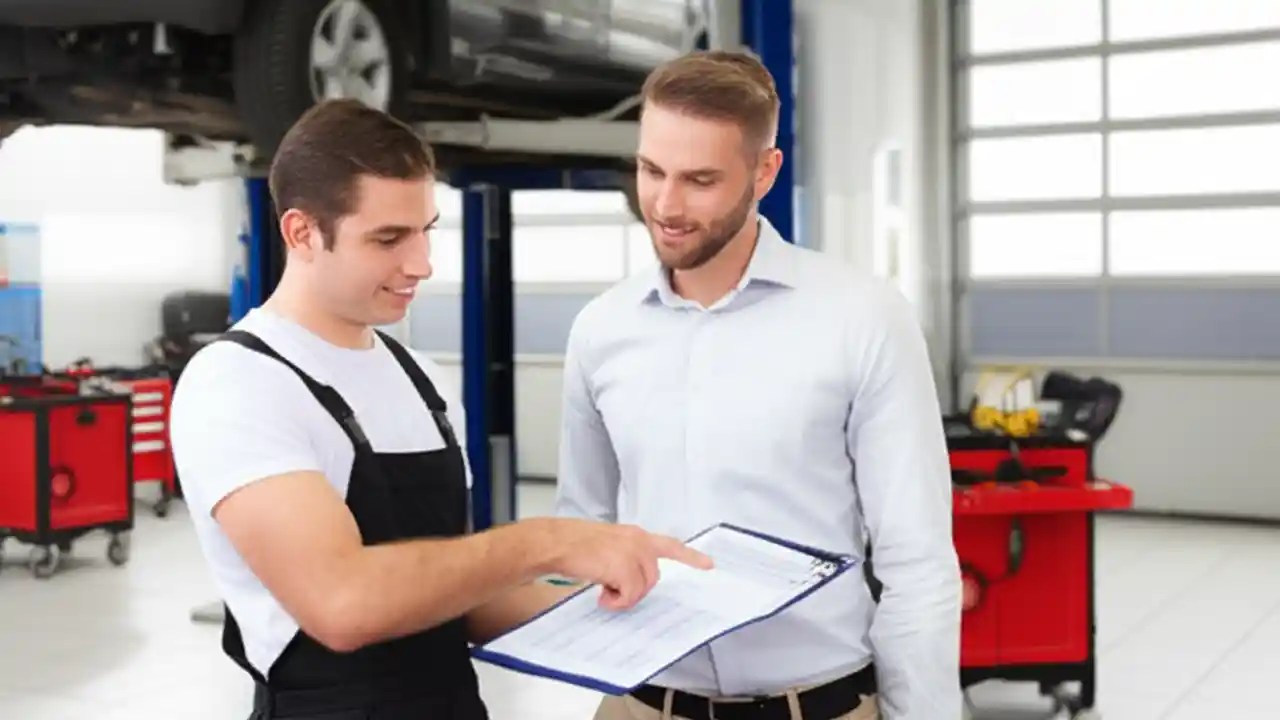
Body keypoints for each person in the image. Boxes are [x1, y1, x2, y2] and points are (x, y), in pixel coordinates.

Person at [169, 99, 712, 720]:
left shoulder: (418, 379)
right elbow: (342, 605)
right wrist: (549, 541)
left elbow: (457, 598)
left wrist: (641, 611)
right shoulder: (239, 381)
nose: (421, 264)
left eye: (425, 230)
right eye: (388, 239)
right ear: (302, 233)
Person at [555, 50, 963, 720]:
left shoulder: (861, 317)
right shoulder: (601, 329)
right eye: (651, 170)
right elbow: (580, 527)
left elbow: (915, 563)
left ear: (765, 171)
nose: (666, 204)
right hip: (641, 706)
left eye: (700, 180)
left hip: (816, 705)